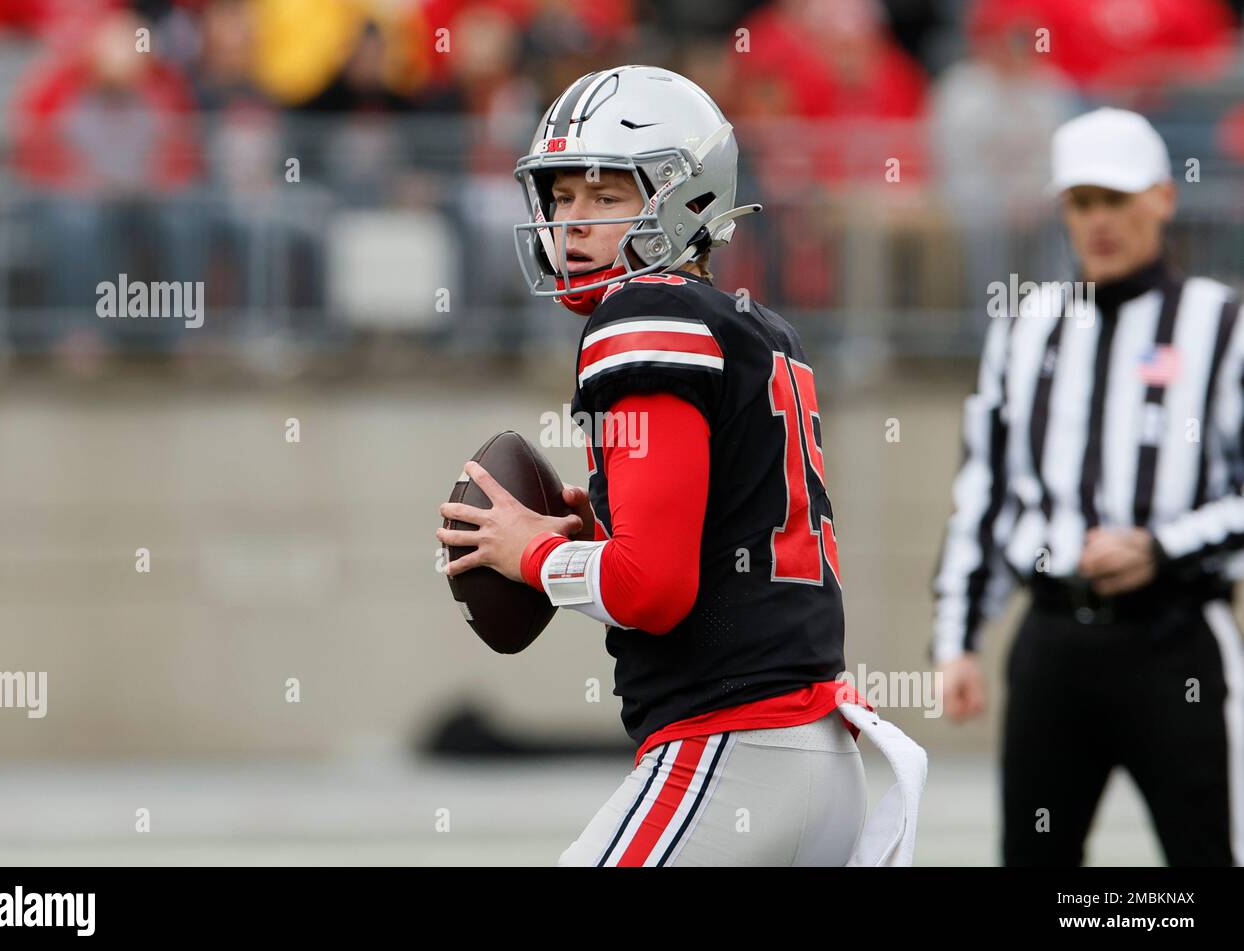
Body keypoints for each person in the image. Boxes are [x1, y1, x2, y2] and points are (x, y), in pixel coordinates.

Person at [436, 65, 925, 866]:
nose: (573, 223)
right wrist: (604, 521)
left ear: (684, 195)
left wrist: (531, 553)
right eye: (561, 198)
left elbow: (652, 591)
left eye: (604, 196)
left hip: (734, 752)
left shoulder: (645, 314)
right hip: (818, 757)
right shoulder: (755, 325)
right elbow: (727, 524)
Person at [932, 107, 1244, 866]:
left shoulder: (1223, 325)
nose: (1099, 221)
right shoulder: (1028, 324)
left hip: (1176, 641)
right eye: (1082, 202)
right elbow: (987, 484)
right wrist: (957, 638)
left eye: (1117, 199)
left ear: (1163, 199)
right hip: (1052, 643)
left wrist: (1162, 547)